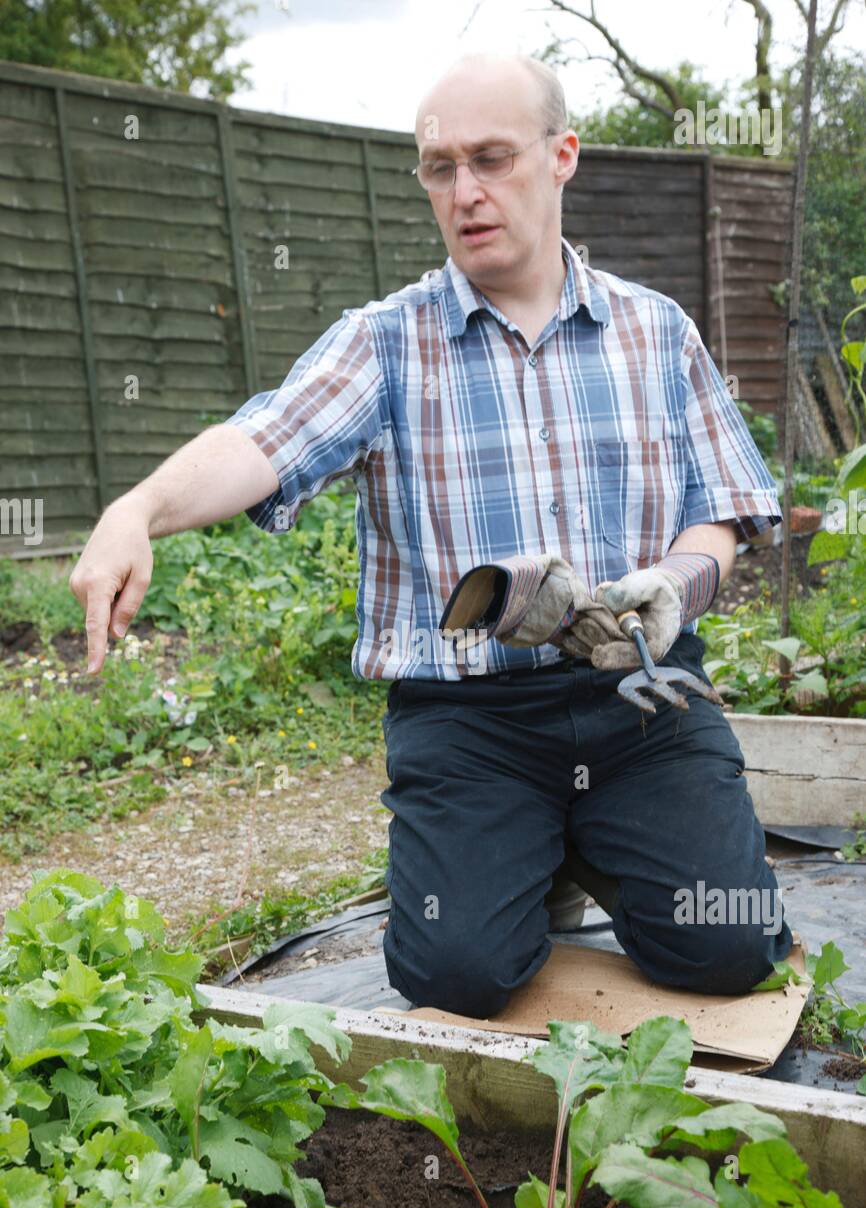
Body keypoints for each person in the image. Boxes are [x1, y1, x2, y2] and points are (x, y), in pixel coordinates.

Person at [70, 52, 795, 1018]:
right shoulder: (385, 341)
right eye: (440, 168)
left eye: (492, 158)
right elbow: (260, 443)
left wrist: (678, 583)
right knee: (455, 974)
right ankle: (527, 851)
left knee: (730, 942)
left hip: (640, 704)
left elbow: (723, 509)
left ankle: (589, 837)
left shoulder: (656, 332)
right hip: (471, 723)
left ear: (562, 155)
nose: (466, 191)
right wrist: (137, 509)